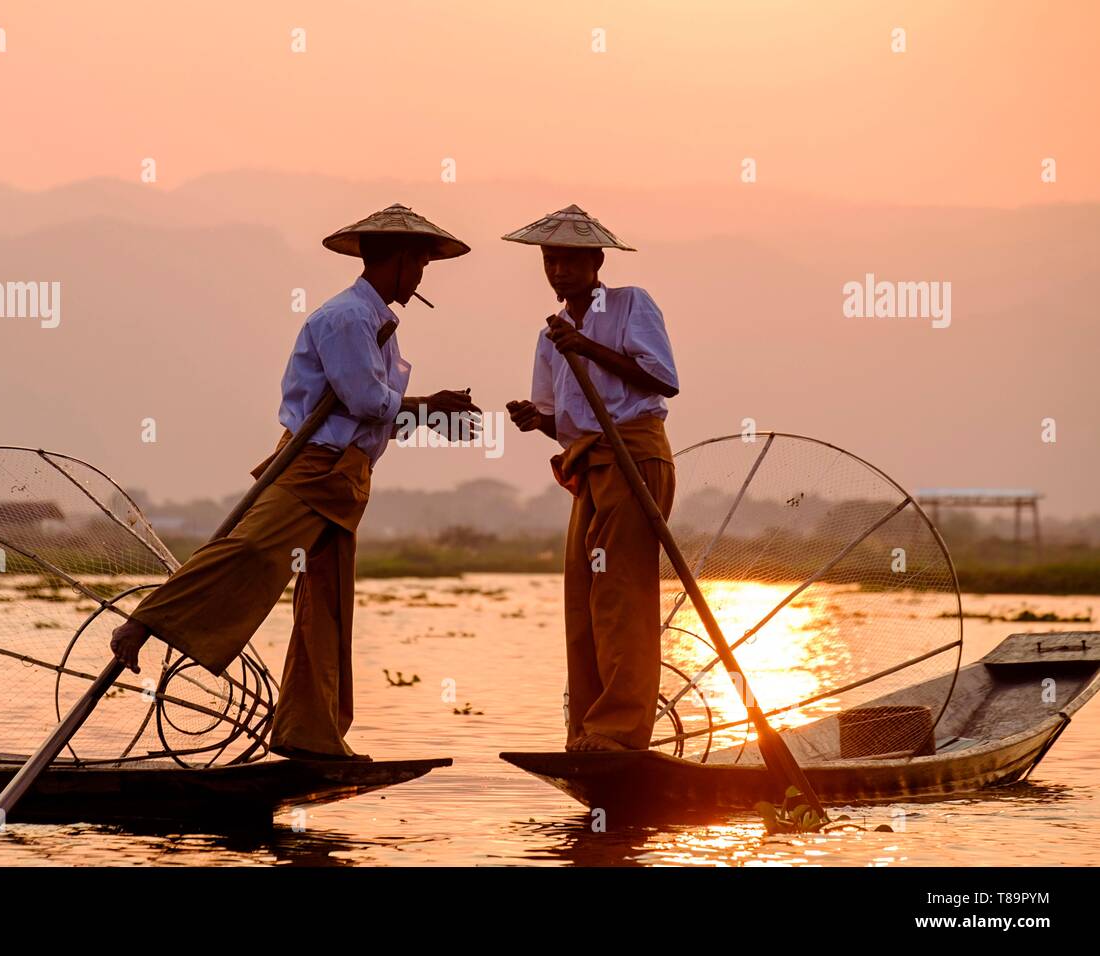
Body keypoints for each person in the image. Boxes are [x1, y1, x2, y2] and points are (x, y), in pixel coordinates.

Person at [110, 203, 480, 761]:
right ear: (400, 262)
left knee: (326, 608)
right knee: (251, 551)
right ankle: (145, 623)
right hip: (313, 466)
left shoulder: (380, 324)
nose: (424, 275)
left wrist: (428, 414)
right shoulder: (348, 319)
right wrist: (428, 405)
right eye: (421, 263)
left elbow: (375, 415)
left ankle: (309, 733)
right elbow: (365, 400)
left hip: (345, 476)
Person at [503, 204, 680, 752]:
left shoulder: (630, 305)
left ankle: (620, 729)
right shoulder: (550, 335)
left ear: (597, 261)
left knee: (620, 595)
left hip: (634, 456)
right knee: (583, 597)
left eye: (571, 261)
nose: (559, 272)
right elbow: (561, 417)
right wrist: (536, 421)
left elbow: (662, 380)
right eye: (551, 261)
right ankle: (585, 730)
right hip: (589, 462)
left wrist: (589, 349)